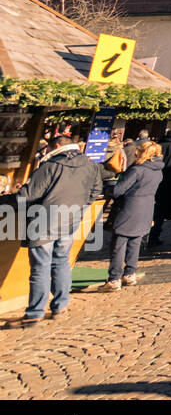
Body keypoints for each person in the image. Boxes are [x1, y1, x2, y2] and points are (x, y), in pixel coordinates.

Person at [5, 136, 102, 327]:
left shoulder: (51, 165)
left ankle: (35, 313)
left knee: (41, 267)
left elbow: (28, 195)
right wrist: (78, 208)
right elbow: (96, 190)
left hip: (44, 222)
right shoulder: (90, 164)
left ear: (56, 146)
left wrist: (8, 199)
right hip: (69, 220)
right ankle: (60, 306)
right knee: (61, 262)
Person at [95, 141, 165, 291]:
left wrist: (108, 187)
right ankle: (129, 273)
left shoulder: (138, 170)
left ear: (142, 153)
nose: (135, 153)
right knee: (135, 242)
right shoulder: (157, 170)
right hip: (146, 208)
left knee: (118, 245)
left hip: (129, 208)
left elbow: (118, 190)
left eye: (138, 151)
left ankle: (114, 279)